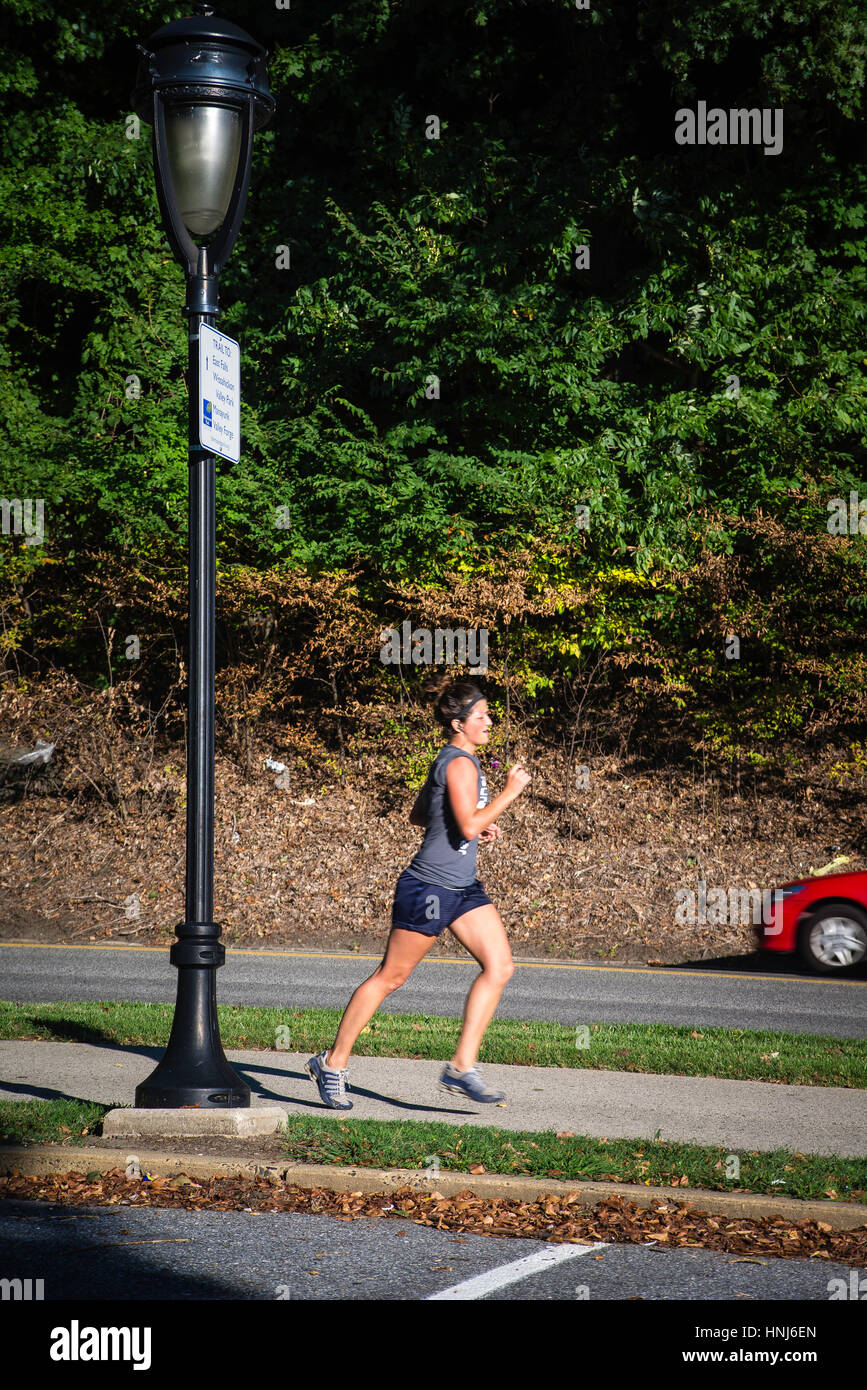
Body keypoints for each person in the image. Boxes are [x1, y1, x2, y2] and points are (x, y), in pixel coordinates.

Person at [306, 680, 531, 1109]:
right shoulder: (459, 763)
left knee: (499, 967)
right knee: (391, 977)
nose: (489, 722)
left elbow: (421, 815)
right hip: (428, 886)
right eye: (480, 716)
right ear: (458, 723)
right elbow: (463, 826)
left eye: (488, 714)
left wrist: (476, 821)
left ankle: (461, 1068)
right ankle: (332, 1064)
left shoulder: (456, 760)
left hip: (463, 887)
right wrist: (508, 794)